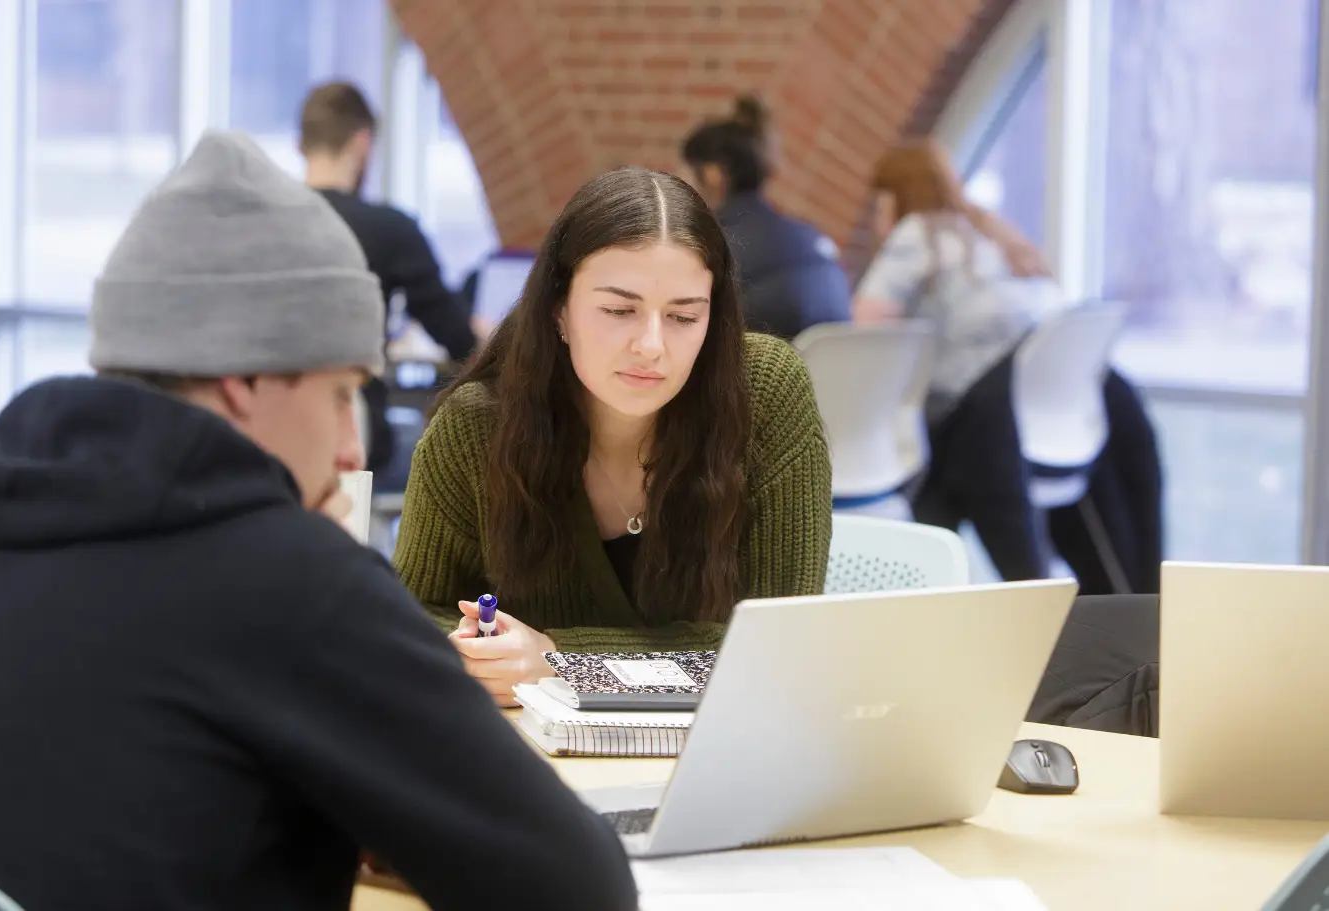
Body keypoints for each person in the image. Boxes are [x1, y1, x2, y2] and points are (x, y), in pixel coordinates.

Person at [0, 131, 637, 911]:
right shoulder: (293, 581)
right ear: (245, 378)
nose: (351, 444)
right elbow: (579, 887)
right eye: (341, 393)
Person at [393, 166, 833, 706]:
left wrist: (562, 662)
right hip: (533, 748)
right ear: (559, 309)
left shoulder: (763, 392)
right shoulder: (479, 426)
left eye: (684, 317)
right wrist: (473, 651)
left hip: (725, 743)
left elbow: (783, 645)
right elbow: (412, 616)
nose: (651, 345)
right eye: (619, 310)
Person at [852, 138, 1069, 581]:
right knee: (938, 489)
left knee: (936, 485)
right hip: (1021, 417)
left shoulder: (918, 233)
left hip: (975, 422)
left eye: (878, 204)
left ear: (894, 198)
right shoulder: (986, 230)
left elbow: (863, 324)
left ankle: (935, 594)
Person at [300, 81, 483, 474]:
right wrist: (480, 333)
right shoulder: (390, 229)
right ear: (362, 142)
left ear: (304, 144)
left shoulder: (267, 225)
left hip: (277, 427)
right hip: (357, 431)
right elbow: (455, 335)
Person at [680, 96, 851, 341]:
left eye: (684, 173)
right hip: (830, 365)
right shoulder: (811, 237)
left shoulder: (716, 249)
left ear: (712, 174)